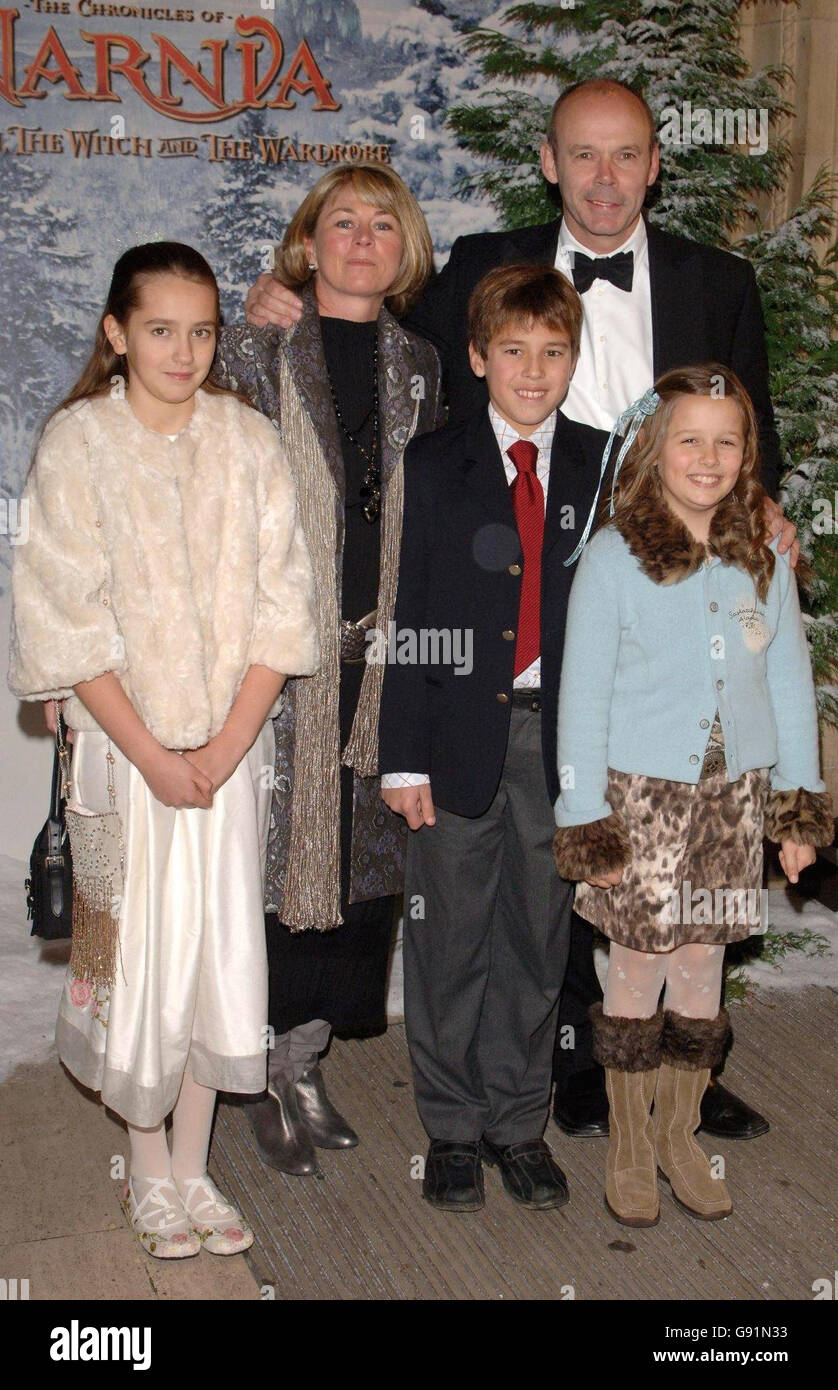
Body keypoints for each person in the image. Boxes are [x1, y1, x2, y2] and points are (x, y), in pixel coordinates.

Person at [243, 77, 795, 1142]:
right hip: (521, 614)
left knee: (655, 829)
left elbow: (749, 433)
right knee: (529, 861)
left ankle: (670, 1064)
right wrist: (279, 300)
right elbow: (377, 325)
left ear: (653, 165)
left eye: (624, 155)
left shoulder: (715, 280)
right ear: (549, 162)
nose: (602, 177)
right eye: (581, 155)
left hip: (673, 611)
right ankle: (549, 1074)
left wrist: (766, 517)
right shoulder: (477, 268)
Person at [8, 242, 319, 1259]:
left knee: (219, 961)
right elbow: (65, 622)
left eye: (199, 330)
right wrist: (150, 753)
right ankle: (145, 1171)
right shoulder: (79, 445)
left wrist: (228, 745)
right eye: (158, 330)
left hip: (228, 764)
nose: (182, 351)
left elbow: (286, 607)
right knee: (134, 966)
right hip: (122, 763)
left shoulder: (247, 441)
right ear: (116, 334)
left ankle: (194, 1166)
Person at [553, 364, 833, 1225]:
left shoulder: (762, 555)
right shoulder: (614, 556)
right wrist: (582, 819)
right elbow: (582, 697)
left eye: (727, 440)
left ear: (746, 454)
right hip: (640, 804)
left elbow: (788, 683)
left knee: (703, 964)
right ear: (655, 448)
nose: (707, 458)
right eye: (689, 440)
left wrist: (797, 805)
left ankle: (680, 1133)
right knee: (637, 971)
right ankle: (632, 1142)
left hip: (732, 800)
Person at [211, 164, 442, 1175]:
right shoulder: (255, 349)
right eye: (338, 222)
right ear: (306, 245)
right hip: (277, 659)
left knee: (357, 884)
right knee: (270, 875)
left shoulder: (428, 366)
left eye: (379, 224)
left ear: (405, 249)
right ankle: (253, 1061)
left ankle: (305, 1061)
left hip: (382, 662)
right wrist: (243, 326)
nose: (359, 238)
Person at [378, 264, 610, 1212]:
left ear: (572, 361)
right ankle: (451, 1127)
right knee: (448, 939)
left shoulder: (602, 466)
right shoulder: (435, 463)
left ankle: (519, 1123)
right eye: (512, 350)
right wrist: (402, 756)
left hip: (561, 749)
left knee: (535, 937)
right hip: (456, 744)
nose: (532, 370)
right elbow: (409, 614)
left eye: (553, 352)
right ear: (477, 357)